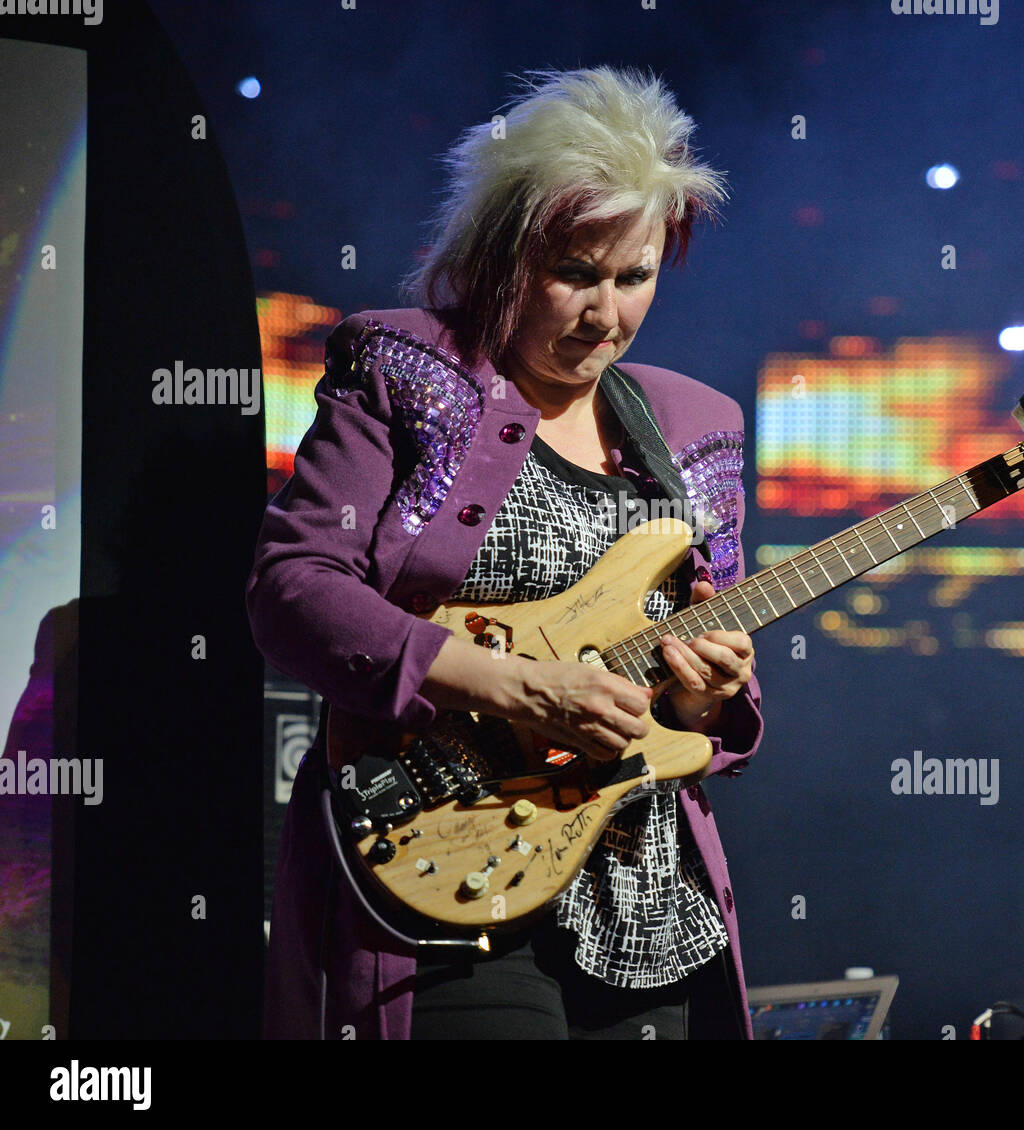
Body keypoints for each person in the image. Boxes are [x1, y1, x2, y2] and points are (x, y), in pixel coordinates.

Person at [247, 66, 763, 1040]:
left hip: (645, 898)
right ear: (499, 255)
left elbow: (716, 701)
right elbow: (292, 587)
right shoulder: (404, 370)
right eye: (574, 272)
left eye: (633, 276)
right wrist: (518, 687)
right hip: (449, 869)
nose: (604, 314)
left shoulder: (700, 425)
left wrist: (704, 694)